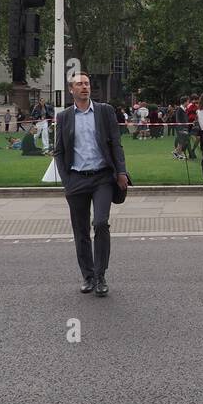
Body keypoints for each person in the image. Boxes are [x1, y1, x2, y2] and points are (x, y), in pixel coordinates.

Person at [53, 72, 129, 297]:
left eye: (86, 84)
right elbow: (59, 151)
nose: (84, 87)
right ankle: (88, 276)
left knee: (101, 223)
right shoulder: (65, 117)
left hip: (102, 177)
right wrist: (67, 181)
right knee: (81, 230)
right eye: (79, 84)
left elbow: (116, 143)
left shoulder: (105, 111)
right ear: (71, 90)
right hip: (76, 179)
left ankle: (101, 274)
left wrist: (121, 171)